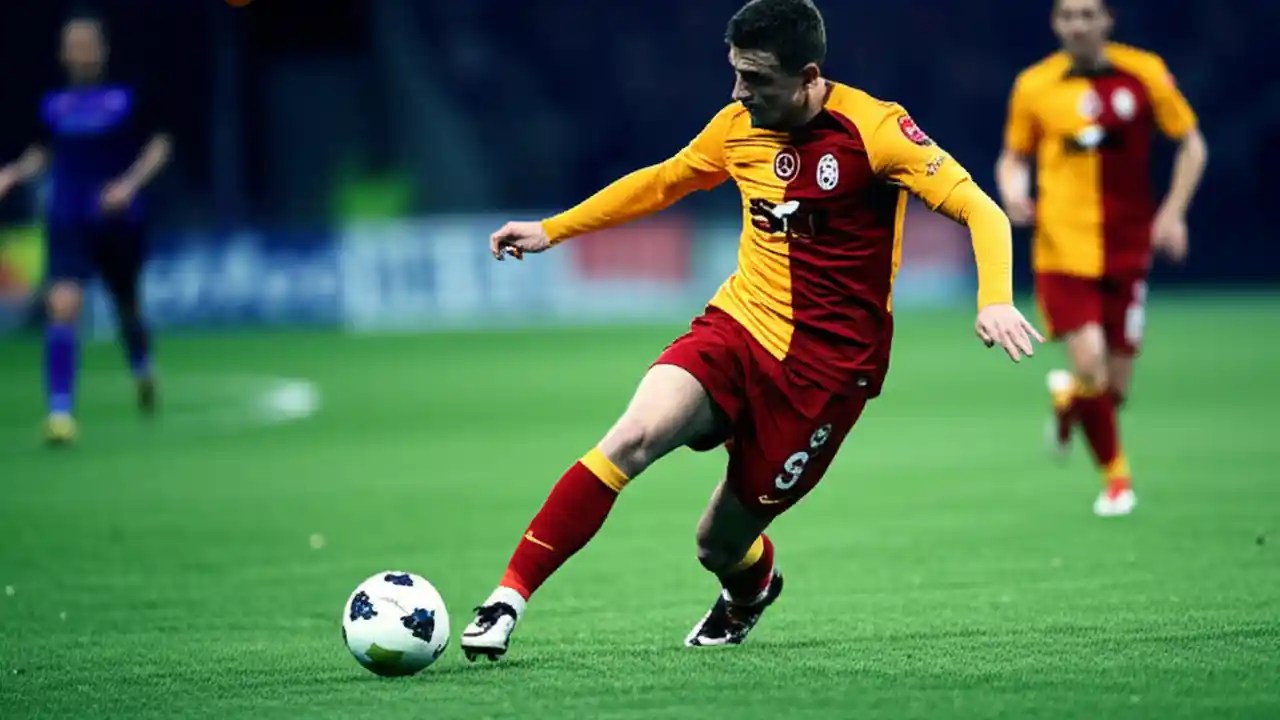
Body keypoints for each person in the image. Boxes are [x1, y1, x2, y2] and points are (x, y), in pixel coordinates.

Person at [457, 0, 1041, 659]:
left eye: (757, 78)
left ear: (808, 76)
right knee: (632, 436)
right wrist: (552, 229)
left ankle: (750, 590)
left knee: (717, 544)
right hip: (738, 329)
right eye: (736, 72)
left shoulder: (876, 130)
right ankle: (506, 600)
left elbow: (981, 210)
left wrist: (995, 298)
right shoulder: (737, 128)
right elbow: (662, 182)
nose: (739, 91)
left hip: (826, 376)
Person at [995, 0, 1207, 517]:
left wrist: (1173, 213)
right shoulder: (1034, 85)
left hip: (1127, 249)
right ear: (1055, 23)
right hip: (1061, 249)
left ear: (1108, 20)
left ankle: (1069, 401)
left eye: (1088, 15)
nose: (1078, 25)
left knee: (1113, 391)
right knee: (1090, 363)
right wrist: (1013, 191)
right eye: (1068, 16)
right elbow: (1013, 156)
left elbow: (1192, 146)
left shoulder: (1145, 73)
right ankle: (1117, 483)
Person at [0, 11, 172, 444]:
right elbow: (42, 153)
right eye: (73, 45)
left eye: (87, 44)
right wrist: (14, 173)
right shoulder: (51, 104)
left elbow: (159, 145)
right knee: (63, 304)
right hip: (68, 216)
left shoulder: (128, 95)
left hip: (118, 219)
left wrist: (129, 184)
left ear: (102, 48)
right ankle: (60, 413)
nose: (81, 52)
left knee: (127, 305)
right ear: (63, 52)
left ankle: (142, 368)